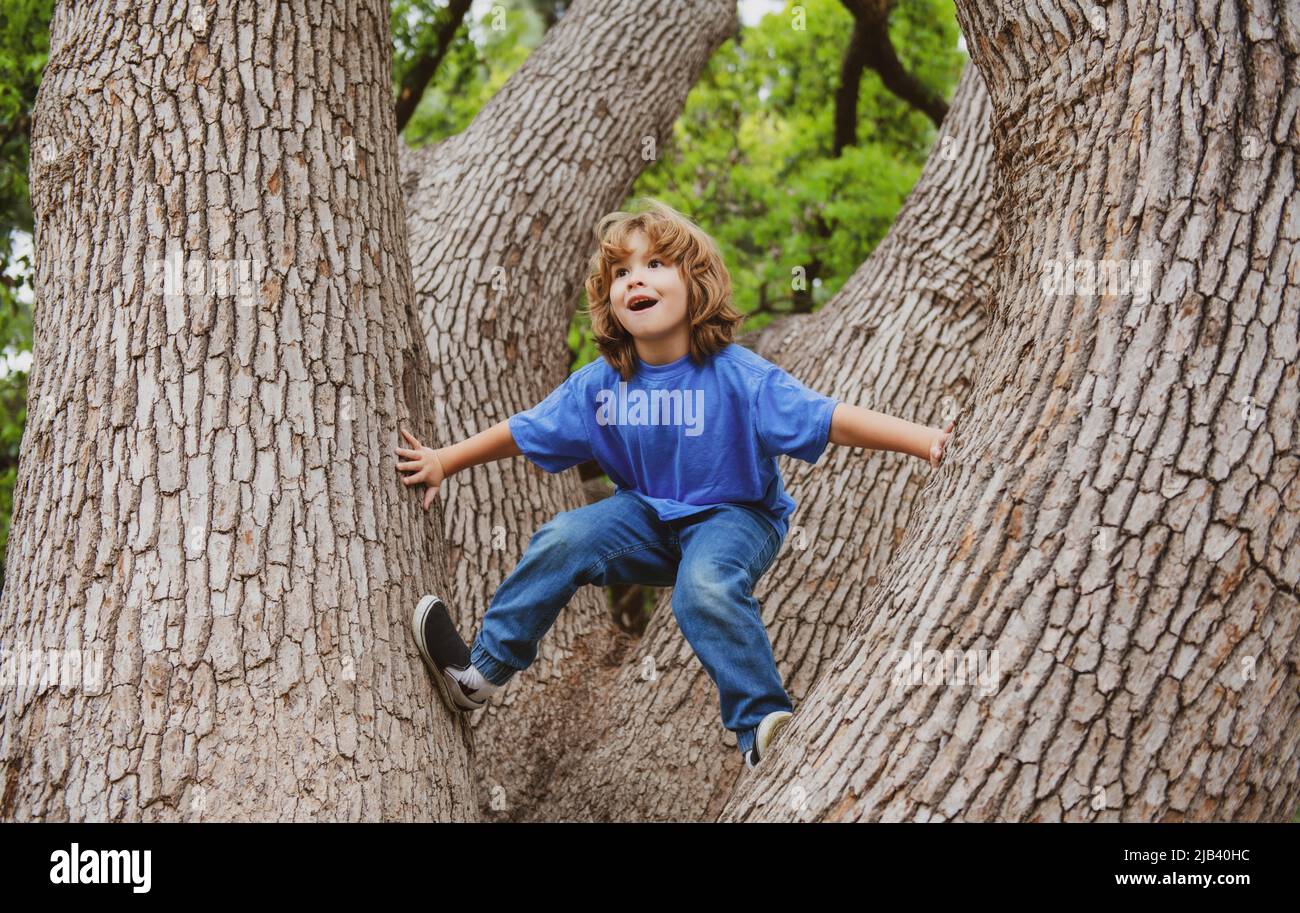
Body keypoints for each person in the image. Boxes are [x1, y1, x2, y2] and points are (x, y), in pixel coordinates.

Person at [395, 198, 954, 770]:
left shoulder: (741, 377)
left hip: (735, 519)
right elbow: (522, 430)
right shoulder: (600, 387)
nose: (636, 277)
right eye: (621, 272)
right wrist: (445, 461)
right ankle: (479, 676)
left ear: (697, 285)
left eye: (657, 264)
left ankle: (762, 725)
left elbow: (830, 418)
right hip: (645, 517)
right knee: (563, 538)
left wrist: (926, 440)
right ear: (611, 300)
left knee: (703, 588)